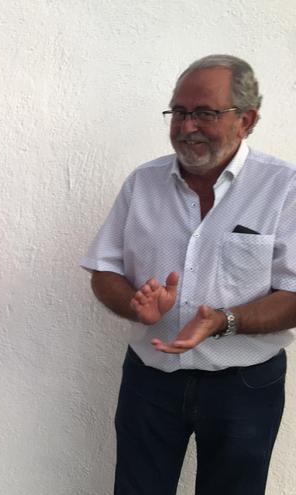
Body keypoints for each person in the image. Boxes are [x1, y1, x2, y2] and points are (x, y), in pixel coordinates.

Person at [81, 54, 296, 495]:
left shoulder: (284, 187)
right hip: (150, 377)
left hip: (245, 384)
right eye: (178, 112)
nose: (186, 126)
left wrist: (224, 320)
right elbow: (105, 270)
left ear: (246, 120)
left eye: (205, 113)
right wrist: (135, 305)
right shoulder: (143, 183)